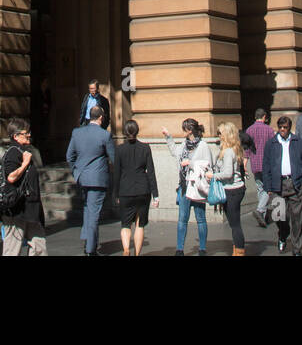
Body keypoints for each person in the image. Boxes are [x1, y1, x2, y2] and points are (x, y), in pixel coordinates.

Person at [67, 105, 116, 255]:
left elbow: (69, 156)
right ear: (101, 117)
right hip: (97, 179)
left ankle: (88, 240)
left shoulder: (77, 132)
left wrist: (76, 172)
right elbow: (113, 158)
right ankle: (90, 249)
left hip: (82, 177)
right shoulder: (105, 135)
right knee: (93, 214)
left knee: (88, 210)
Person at [262, 115, 302, 256]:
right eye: (281, 128)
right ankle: (283, 234)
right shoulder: (271, 143)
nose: (283, 130)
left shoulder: (297, 141)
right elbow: (266, 166)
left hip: (295, 184)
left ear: (290, 128)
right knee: (279, 215)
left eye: (285, 128)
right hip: (278, 185)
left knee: (297, 218)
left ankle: (297, 249)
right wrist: (268, 186)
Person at [163, 118, 212, 255]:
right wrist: (168, 137)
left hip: (197, 187)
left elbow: (208, 166)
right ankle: (180, 249)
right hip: (184, 186)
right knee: (182, 219)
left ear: (190, 130)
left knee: (200, 218)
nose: (182, 132)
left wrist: (190, 163)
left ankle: (202, 248)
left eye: (183, 129)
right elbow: (175, 152)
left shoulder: (203, 146)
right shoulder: (184, 144)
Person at [1, 119, 47, 256]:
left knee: (39, 247)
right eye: (25, 133)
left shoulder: (23, 150)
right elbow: (11, 177)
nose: (29, 135)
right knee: (12, 249)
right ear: (15, 136)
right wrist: (25, 163)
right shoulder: (13, 153)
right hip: (18, 210)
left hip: (31, 209)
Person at [113, 119, 157, 256]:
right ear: (137, 131)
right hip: (143, 190)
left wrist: (115, 194)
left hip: (125, 190)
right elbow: (151, 172)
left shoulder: (119, 150)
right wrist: (156, 194)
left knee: (125, 224)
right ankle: (137, 254)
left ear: (125, 132)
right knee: (140, 224)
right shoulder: (145, 148)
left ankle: (126, 250)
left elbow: (117, 174)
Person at [206, 121, 247, 255]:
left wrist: (213, 176)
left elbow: (228, 173)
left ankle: (239, 252)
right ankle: (237, 250)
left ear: (227, 135)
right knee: (234, 223)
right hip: (233, 189)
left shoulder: (229, 152)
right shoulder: (230, 149)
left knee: (235, 224)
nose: (218, 136)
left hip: (232, 190)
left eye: (220, 133)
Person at [244, 108, 275, 227]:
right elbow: (273, 146)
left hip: (255, 163)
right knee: (268, 188)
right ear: (264, 117)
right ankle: (260, 210)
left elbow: (246, 149)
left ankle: (263, 214)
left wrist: (245, 163)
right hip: (267, 163)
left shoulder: (249, 130)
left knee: (260, 188)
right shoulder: (269, 129)